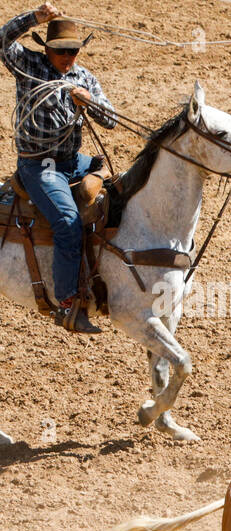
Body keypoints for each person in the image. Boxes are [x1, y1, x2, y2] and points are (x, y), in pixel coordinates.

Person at [2, 3, 117, 334]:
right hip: (40, 166)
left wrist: (90, 103)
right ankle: (68, 302)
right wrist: (33, 18)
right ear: (48, 49)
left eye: (73, 51)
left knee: (111, 175)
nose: (68, 57)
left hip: (71, 162)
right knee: (67, 223)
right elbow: (1, 40)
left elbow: (109, 121)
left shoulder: (85, 79)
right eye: (61, 50)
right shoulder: (27, 65)